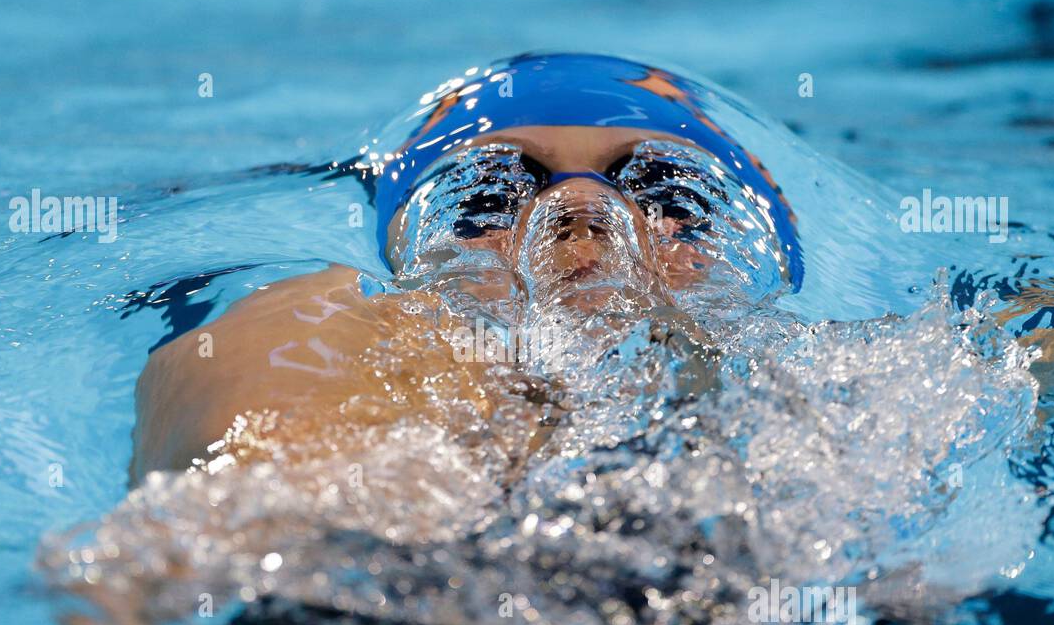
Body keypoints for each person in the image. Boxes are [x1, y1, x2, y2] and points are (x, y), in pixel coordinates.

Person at [129, 53, 803, 482]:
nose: (583, 215)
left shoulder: (830, 390)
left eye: (667, 195)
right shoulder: (322, 321)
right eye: (488, 198)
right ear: (401, 250)